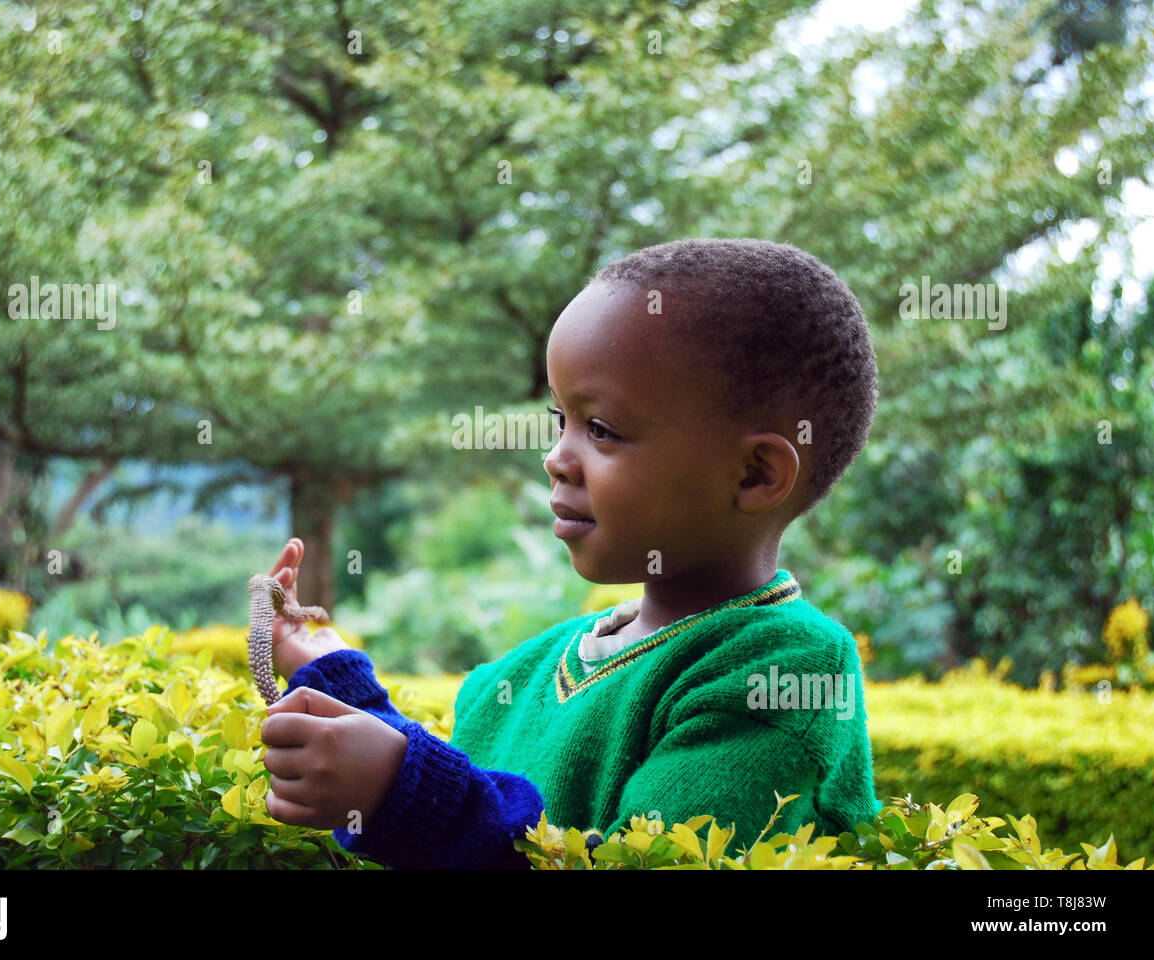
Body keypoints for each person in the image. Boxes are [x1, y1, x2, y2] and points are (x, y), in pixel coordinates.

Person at [259, 237, 883, 869]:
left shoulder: (784, 675)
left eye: (601, 429)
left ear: (754, 474)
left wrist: (401, 787)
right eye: (561, 419)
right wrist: (339, 680)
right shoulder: (515, 678)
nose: (556, 457)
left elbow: (636, 863)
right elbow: (479, 822)